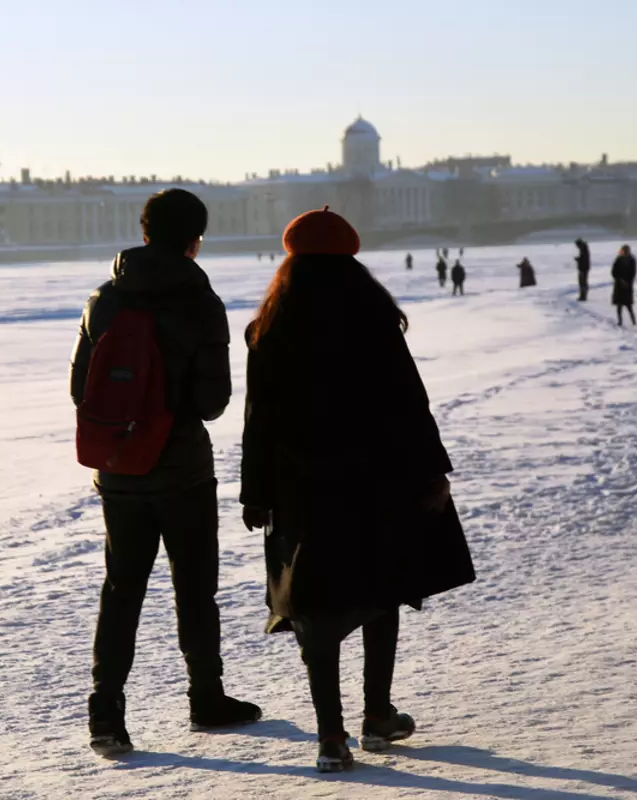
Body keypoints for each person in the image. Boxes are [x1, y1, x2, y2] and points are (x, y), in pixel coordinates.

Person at [240, 207, 475, 773]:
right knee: (379, 591)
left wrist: (256, 492)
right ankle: (376, 716)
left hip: (302, 489)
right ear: (352, 259)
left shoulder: (268, 329)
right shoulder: (373, 319)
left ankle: (330, 738)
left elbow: (258, 421)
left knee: (315, 607)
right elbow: (408, 405)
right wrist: (431, 473)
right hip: (377, 481)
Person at [70, 188, 261, 757]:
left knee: (121, 588)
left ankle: (106, 713)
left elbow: (82, 388)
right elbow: (212, 401)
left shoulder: (104, 297)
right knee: (195, 590)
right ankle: (207, 699)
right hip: (181, 470)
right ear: (195, 239)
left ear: (145, 231)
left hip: (120, 470)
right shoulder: (201, 300)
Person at [611, 244, 637, 326]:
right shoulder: (619, 259)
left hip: (626, 285)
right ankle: (620, 321)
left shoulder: (631, 260)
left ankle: (633, 321)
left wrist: (626, 281)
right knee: (620, 305)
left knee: (628, 305)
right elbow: (613, 272)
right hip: (620, 285)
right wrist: (620, 279)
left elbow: (633, 273)